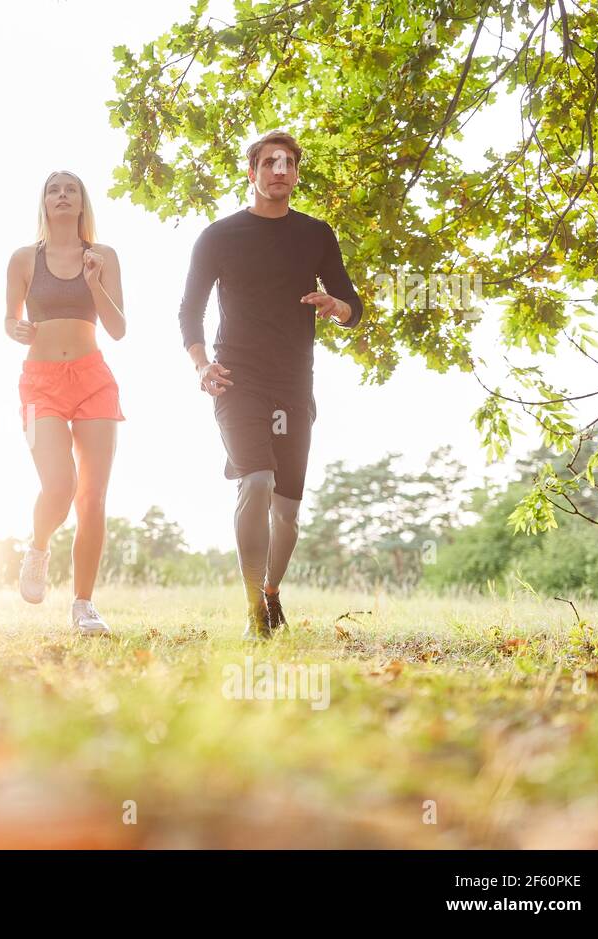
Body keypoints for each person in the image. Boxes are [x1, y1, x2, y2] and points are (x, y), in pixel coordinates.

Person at [179, 129, 364, 640]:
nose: (279, 170)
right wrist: (200, 365)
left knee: (286, 513)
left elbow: (352, 305)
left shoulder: (315, 235)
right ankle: (252, 607)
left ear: (296, 174)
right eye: (269, 163)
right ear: (253, 172)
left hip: (292, 383)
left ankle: (272, 594)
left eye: (288, 163)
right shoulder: (219, 236)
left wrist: (338, 306)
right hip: (236, 377)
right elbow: (189, 310)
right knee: (255, 480)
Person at [6, 171, 126, 636]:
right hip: (40, 382)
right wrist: (13, 328)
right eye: (53, 190)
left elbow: (117, 328)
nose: (61, 196)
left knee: (92, 496)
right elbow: (8, 321)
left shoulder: (104, 256)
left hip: (93, 378)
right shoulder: (22, 259)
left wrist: (95, 282)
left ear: (81, 203)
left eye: (70, 190)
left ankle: (83, 604)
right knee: (59, 485)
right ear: (44, 202)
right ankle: (38, 548)